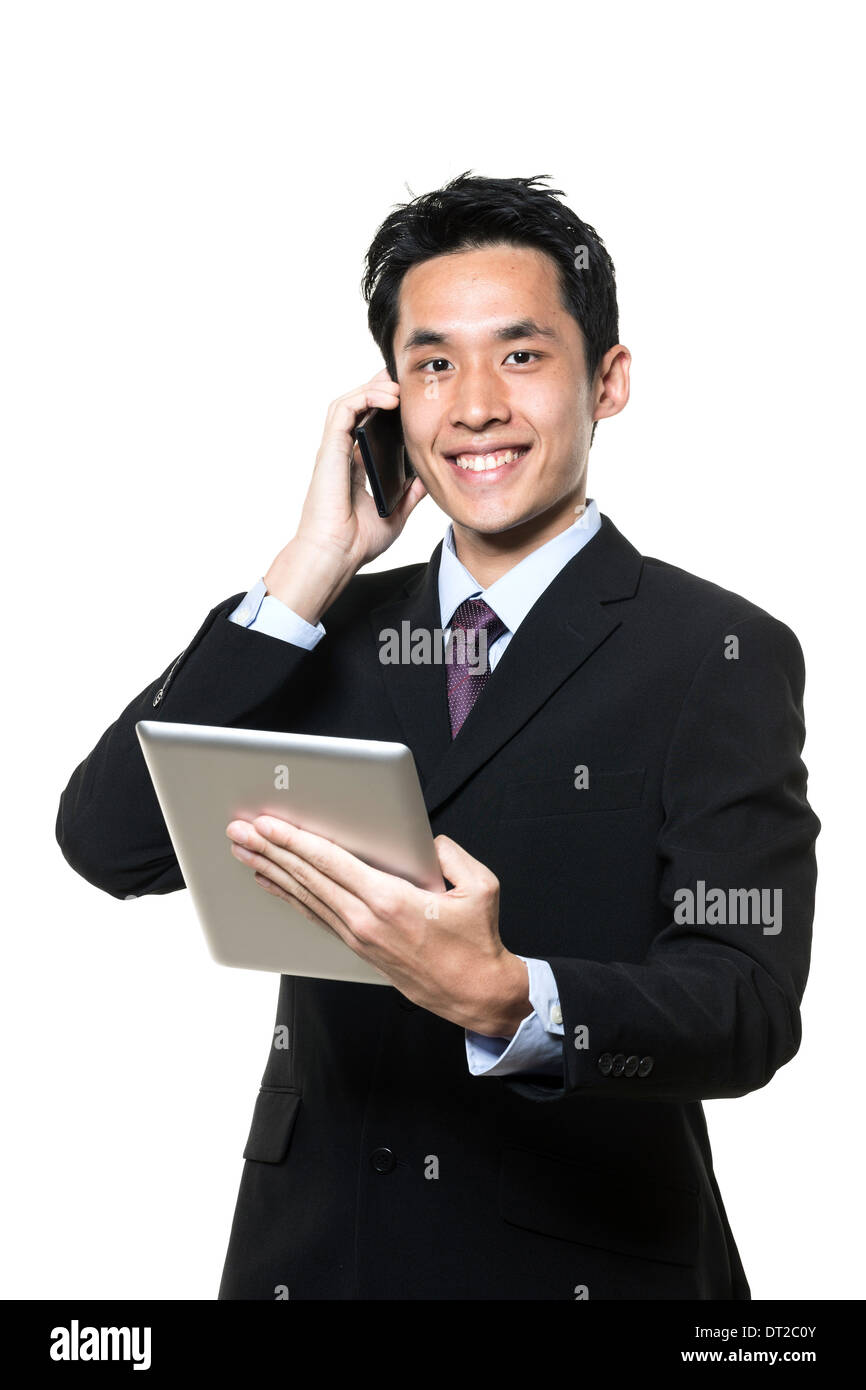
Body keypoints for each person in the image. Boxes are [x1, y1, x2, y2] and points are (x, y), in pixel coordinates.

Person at [56, 172, 820, 1300]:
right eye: (431, 363)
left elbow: (744, 1005)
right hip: (311, 1261)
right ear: (389, 400)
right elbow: (111, 841)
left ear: (605, 380)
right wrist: (310, 567)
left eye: (519, 355)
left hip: (578, 1262)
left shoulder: (712, 649)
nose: (472, 406)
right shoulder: (320, 630)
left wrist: (513, 997)